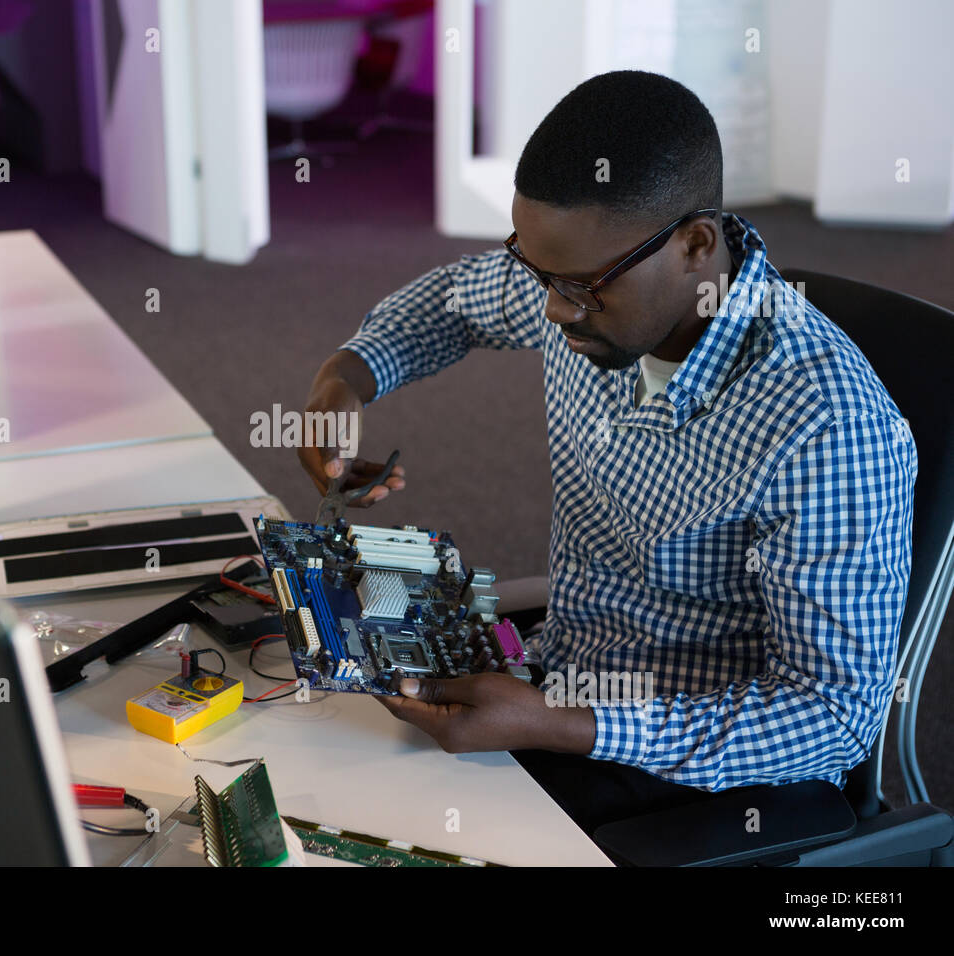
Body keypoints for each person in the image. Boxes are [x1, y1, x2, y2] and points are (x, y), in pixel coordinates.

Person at [295, 70, 916, 836]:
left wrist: (563, 723)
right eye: (536, 272)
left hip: (693, 774)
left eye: (581, 289)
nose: (553, 310)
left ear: (696, 245)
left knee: (395, 834)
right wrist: (343, 380)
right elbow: (456, 300)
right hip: (563, 671)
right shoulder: (597, 273)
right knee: (317, 773)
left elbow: (832, 719)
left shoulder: (826, 425)